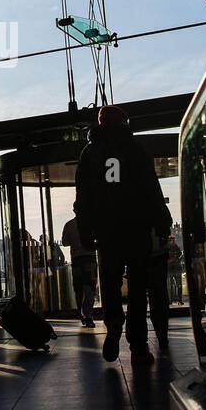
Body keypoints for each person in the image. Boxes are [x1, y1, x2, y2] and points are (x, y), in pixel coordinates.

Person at [74, 105, 172, 364]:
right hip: (136, 229)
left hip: (107, 232)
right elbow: (151, 188)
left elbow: (82, 198)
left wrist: (86, 229)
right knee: (139, 286)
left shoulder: (89, 153)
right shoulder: (135, 149)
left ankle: (113, 325)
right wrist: (163, 223)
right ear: (124, 124)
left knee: (109, 282)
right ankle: (138, 344)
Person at [62, 215, 97, 328]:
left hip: (76, 259)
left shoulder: (69, 224)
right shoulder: (91, 222)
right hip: (89, 258)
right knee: (90, 287)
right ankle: (88, 315)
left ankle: (80, 313)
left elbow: (65, 242)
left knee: (79, 288)